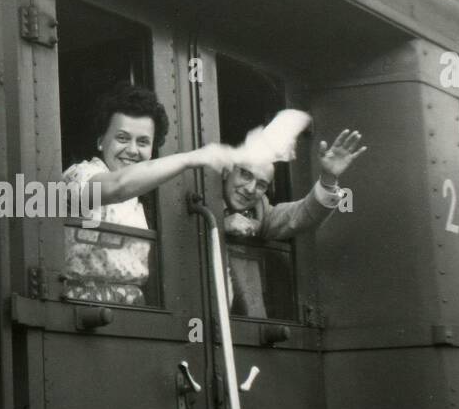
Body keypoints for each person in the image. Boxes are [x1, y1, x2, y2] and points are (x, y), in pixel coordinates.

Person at [60, 81, 234, 305]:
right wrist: (191, 158)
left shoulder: (143, 197)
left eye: (143, 142)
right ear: (101, 141)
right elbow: (117, 186)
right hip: (84, 312)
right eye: (122, 138)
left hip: (134, 310)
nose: (132, 150)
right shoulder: (79, 175)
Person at [222, 128, 367, 317]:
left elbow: (301, 214)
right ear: (226, 171)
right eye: (245, 174)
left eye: (261, 185)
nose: (250, 189)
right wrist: (221, 224)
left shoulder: (261, 212)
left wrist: (329, 179)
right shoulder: (199, 196)